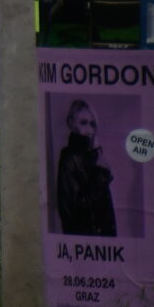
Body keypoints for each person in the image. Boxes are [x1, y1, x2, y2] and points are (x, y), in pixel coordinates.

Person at [56, 98, 118, 237]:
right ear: (71, 123)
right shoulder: (68, 157)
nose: (89, 130)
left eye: (92, 124)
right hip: (85, 244)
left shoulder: (94, 155)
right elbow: (76, 209)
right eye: (83, 123)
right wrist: (101, 174)